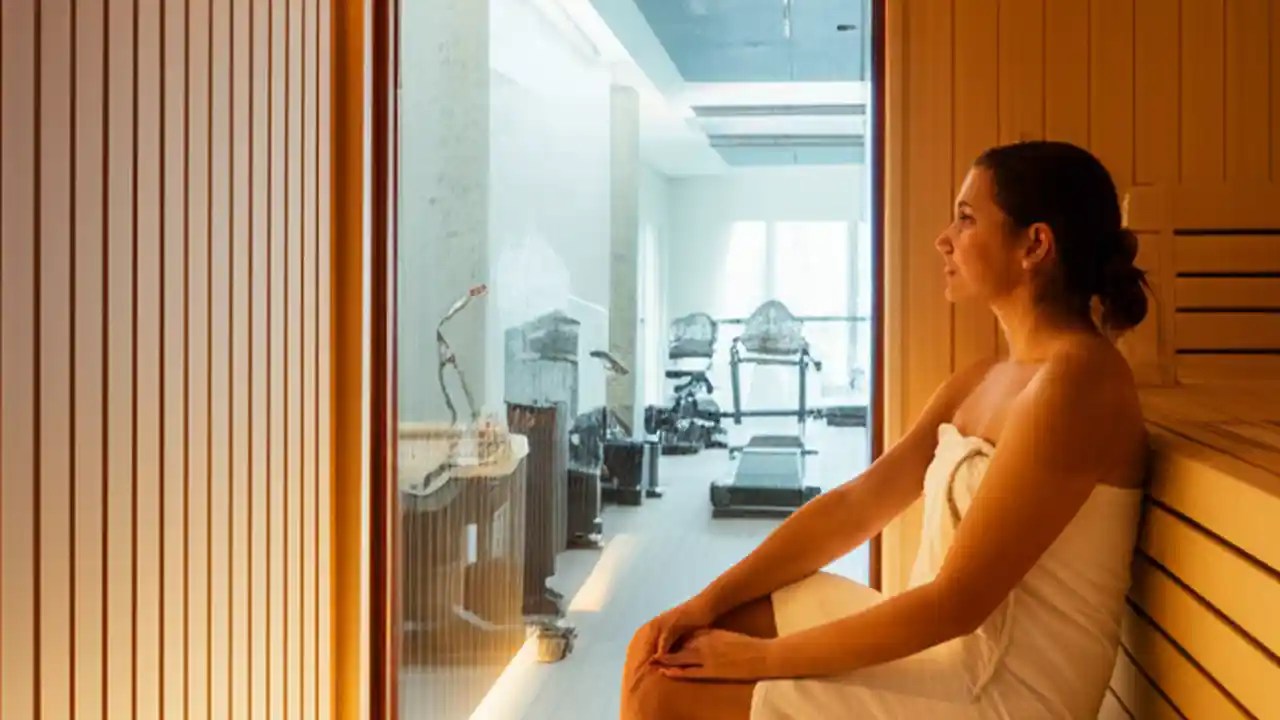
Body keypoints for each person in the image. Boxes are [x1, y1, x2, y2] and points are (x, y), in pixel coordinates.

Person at [620, 141, 1150, 720]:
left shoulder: (1078, 383)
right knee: (659, 643)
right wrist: (707, 601)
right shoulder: (985, 378)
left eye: (966, 218)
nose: (943, 238)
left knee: (666, 694)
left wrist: (761, 659)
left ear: (1035, 244)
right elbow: (857, 505)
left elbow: (956, 605)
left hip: (1002, 695)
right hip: (947, 655)